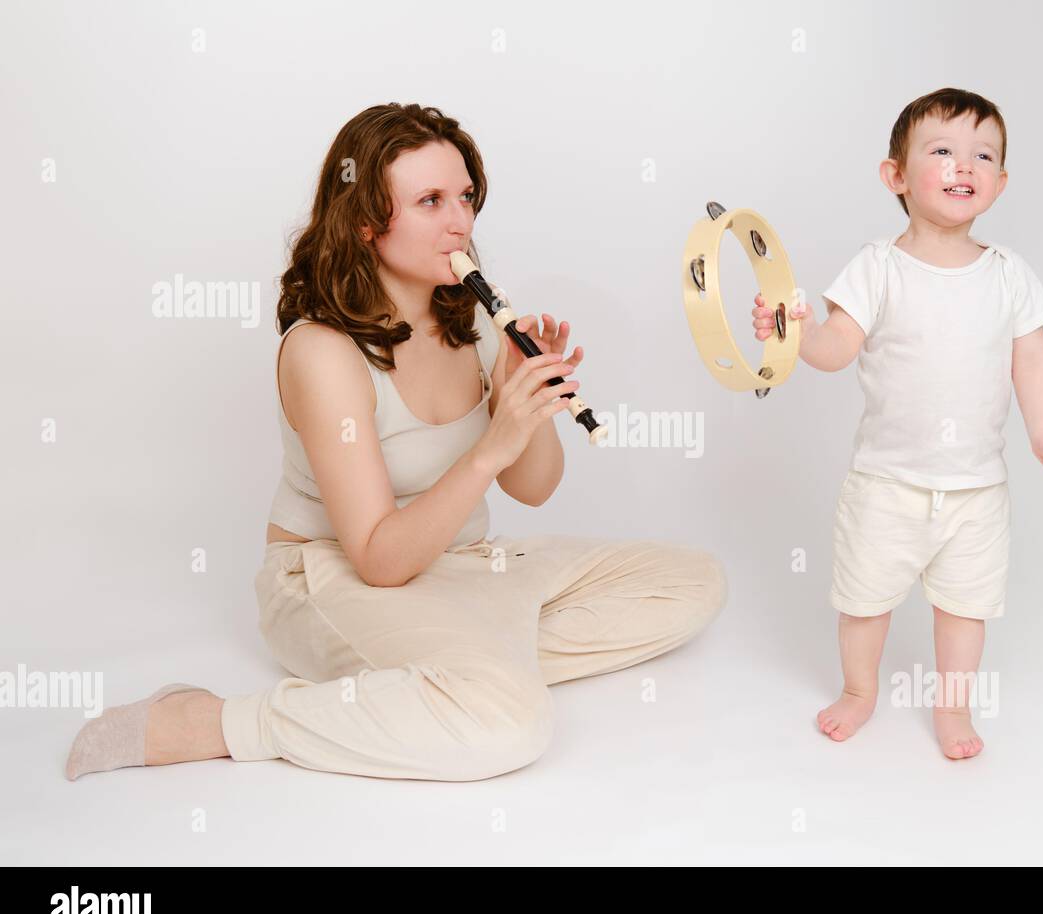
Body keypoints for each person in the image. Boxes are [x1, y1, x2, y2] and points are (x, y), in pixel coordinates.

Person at [66, 103, 727, 782]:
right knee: (509, 724)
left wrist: (523, 403)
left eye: (465, 197)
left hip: (460, 565)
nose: (460, 222)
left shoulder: (477, 318)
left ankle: (461, 662)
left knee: (694, 582)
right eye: (430, 201)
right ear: (363, 221)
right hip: (331, 576)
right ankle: (218, 721)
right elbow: (379, 559)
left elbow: (534, 488)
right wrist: (490, 447)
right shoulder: (322, 351)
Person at [751, 88, 1043, 759]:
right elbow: (837, 348)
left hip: (975, 488)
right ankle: (858, 690)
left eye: (982, 155)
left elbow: (1034, 361)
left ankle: (953, 707)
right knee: (864, 600)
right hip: (887, 482)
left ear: (1000, 182)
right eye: (942, 150)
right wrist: (794, 336)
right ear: (896, 176)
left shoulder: (1008, 274)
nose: (964, 165)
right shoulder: (878, 267)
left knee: (965, 607)